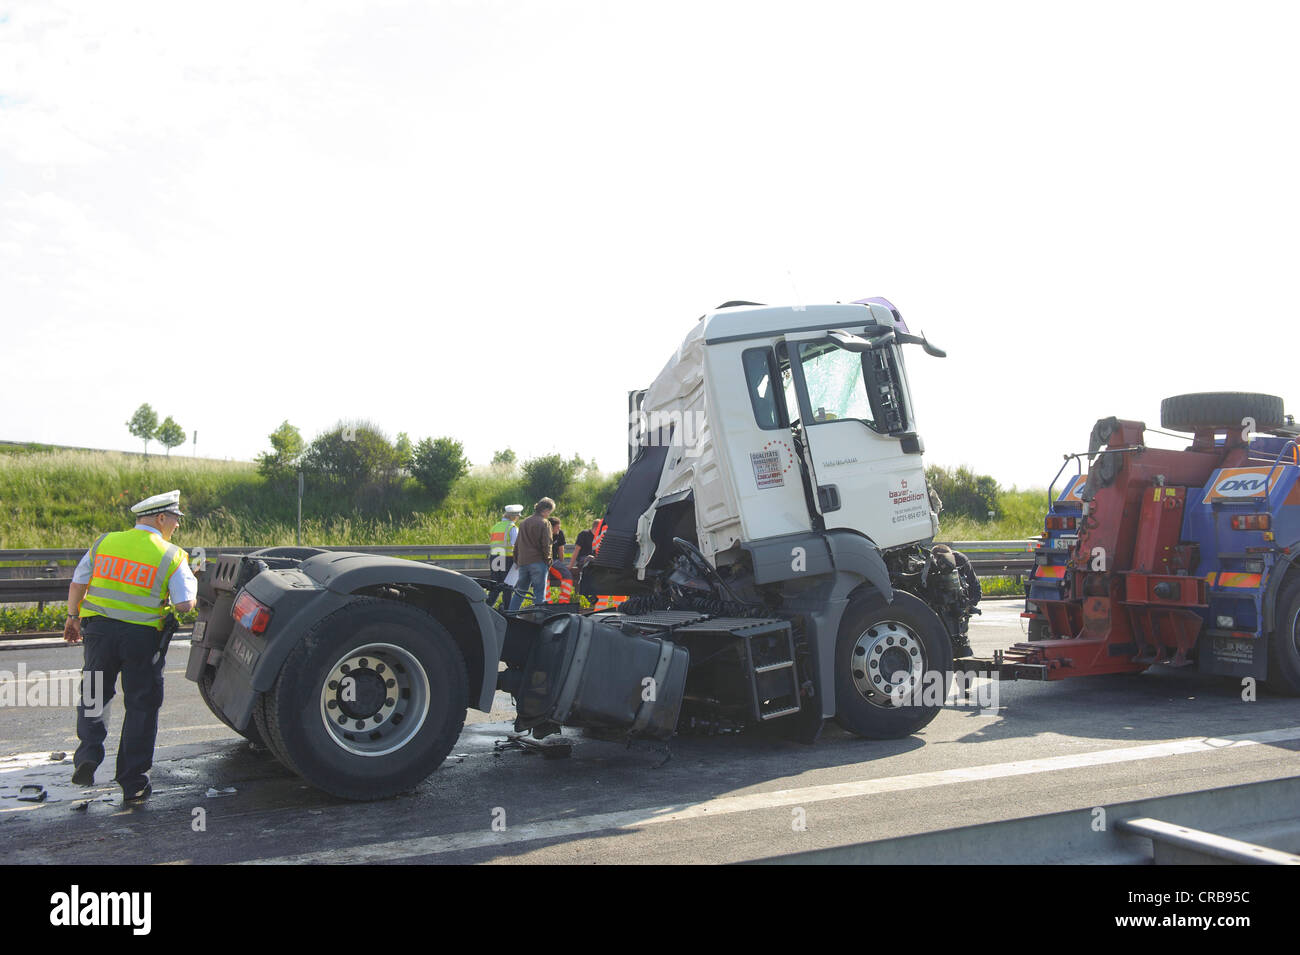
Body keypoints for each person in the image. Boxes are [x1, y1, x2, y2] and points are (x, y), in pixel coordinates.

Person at [63, 489, 197, 802]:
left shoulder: (105, 542)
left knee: (95, 692)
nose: (177, 525)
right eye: (175, 519)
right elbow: (184, 605)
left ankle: (87, 755)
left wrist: (72, 616)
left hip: (98, 631)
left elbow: (79, 582)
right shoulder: (172, 555)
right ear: (161, 518)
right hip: (142, 638)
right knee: (141, 704)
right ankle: (132, 780)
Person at [507, 497, 554, 612]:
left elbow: (517, 543)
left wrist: (516, 559)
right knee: (539, 592)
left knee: (520, 592)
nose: (549, 514)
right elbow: (546, 544)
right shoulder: (544, 523)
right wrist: (548, 560)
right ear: (546, 510)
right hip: (538, 561)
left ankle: (511, 614)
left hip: (523, 562)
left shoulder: (524, 522)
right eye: (550, 511)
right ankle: (539, 617)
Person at [486, 504, 522, 607]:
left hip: (495, 557)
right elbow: (516, 545)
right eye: (517, 516)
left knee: (495, 585)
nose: (518, 518)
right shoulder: (512, 527)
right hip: (507, 558)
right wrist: (518, 560)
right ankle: (507, 609)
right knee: (508, 586)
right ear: (514, 516)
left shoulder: (496, 526)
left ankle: (487, 607)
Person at [570, 518, 601, 606]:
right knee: (589, 558)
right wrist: (571, 565)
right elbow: (576, 550)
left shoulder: (599, 536)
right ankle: (586, 592)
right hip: (583, 559)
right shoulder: (584, 534)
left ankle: (591, 594)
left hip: (594, 562)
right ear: (596, 528)